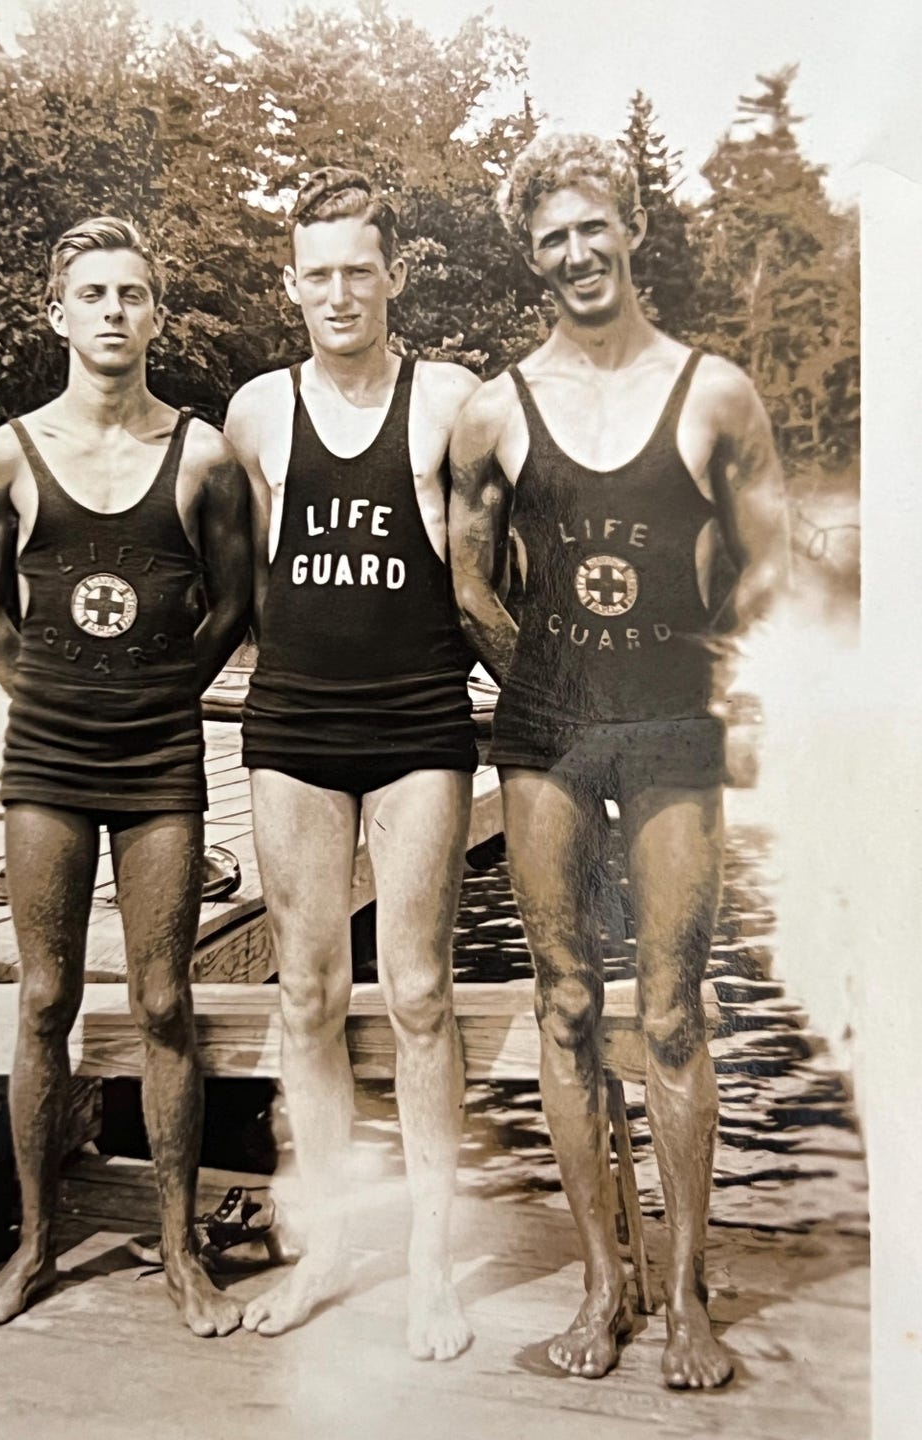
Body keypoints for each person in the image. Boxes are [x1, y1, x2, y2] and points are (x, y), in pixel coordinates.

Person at [448, 133, 790, 1389]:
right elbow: (470, 576)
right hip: (544, 730)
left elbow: (768, 563)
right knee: (565, 1004)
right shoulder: (497, 407)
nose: (577, 254)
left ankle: (688, 1298)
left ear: (631, 228)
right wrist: (539, 678)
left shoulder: (714, 391)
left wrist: (703, 664)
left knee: (676, 1013)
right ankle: (604, 1287)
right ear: (530, 255)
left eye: (594, 228)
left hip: (667, 729)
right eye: (552, 239)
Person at [0, 216, 252, 1336]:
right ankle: (36, 1244)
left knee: (165, 998)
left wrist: (170, 691)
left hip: (160, 752)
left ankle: (181, 1253)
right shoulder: (9, 452)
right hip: (47, 756)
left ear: (157, 315)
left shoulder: (205, 454)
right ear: (59, 313)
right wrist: (36, 697)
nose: (116, 311)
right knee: (43, 996)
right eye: (95, 293)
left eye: (134, 293)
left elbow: (234, 600)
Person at [223, 168, 480, 1360]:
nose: (337, 291)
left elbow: (499, 571)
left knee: (421, 993)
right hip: (294, 730)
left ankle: (432, 1262)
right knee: (308, 993)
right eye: (315, 272)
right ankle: (325, 1245)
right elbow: (228, 587)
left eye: (357, 269)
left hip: (422, 721)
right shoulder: (256, 412)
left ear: (394, 276)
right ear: (292, 284)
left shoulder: (449, 402)